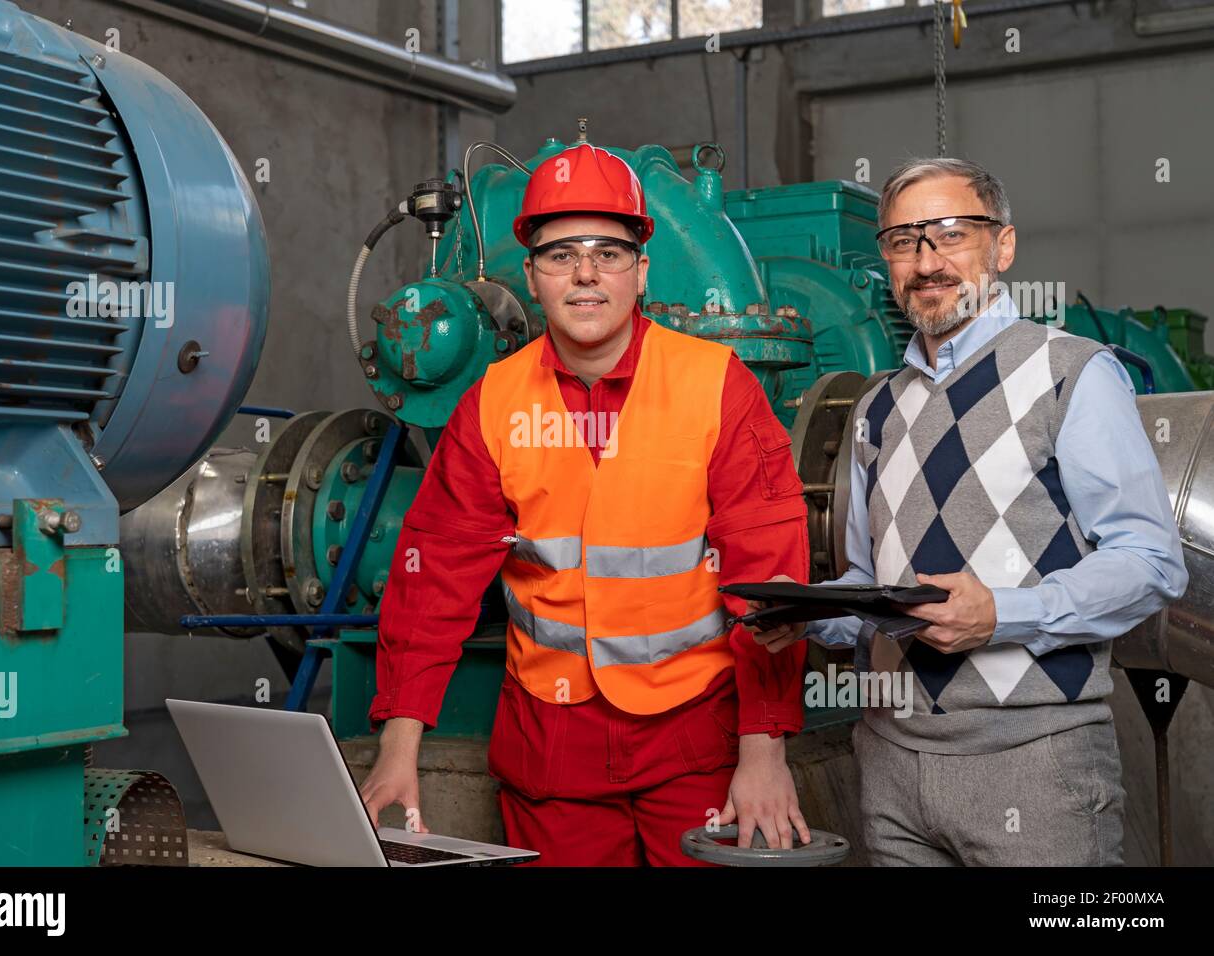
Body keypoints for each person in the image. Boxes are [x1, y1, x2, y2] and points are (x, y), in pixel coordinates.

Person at [361, 143, 813, 865]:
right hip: (552, 757)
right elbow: (432, 580)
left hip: (693, 745)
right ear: (531, 274)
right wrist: (398, 746)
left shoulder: (717, 386)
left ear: (642, 268)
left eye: (608, 251)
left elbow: (771, 586)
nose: (585, 274)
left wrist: (765, 755)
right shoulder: (493, 405)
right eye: (561, 253)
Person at [748, 156, 1188, 866]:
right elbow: (873, 580)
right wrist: (803, 615)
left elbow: (1151, 561)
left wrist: (1004, 615)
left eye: (951, 233)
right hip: (890, 765)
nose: (926, 261)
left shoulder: (1071, 373)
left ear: (1003, 247)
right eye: (902, 241)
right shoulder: (877, 406)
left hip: (1035, 763)